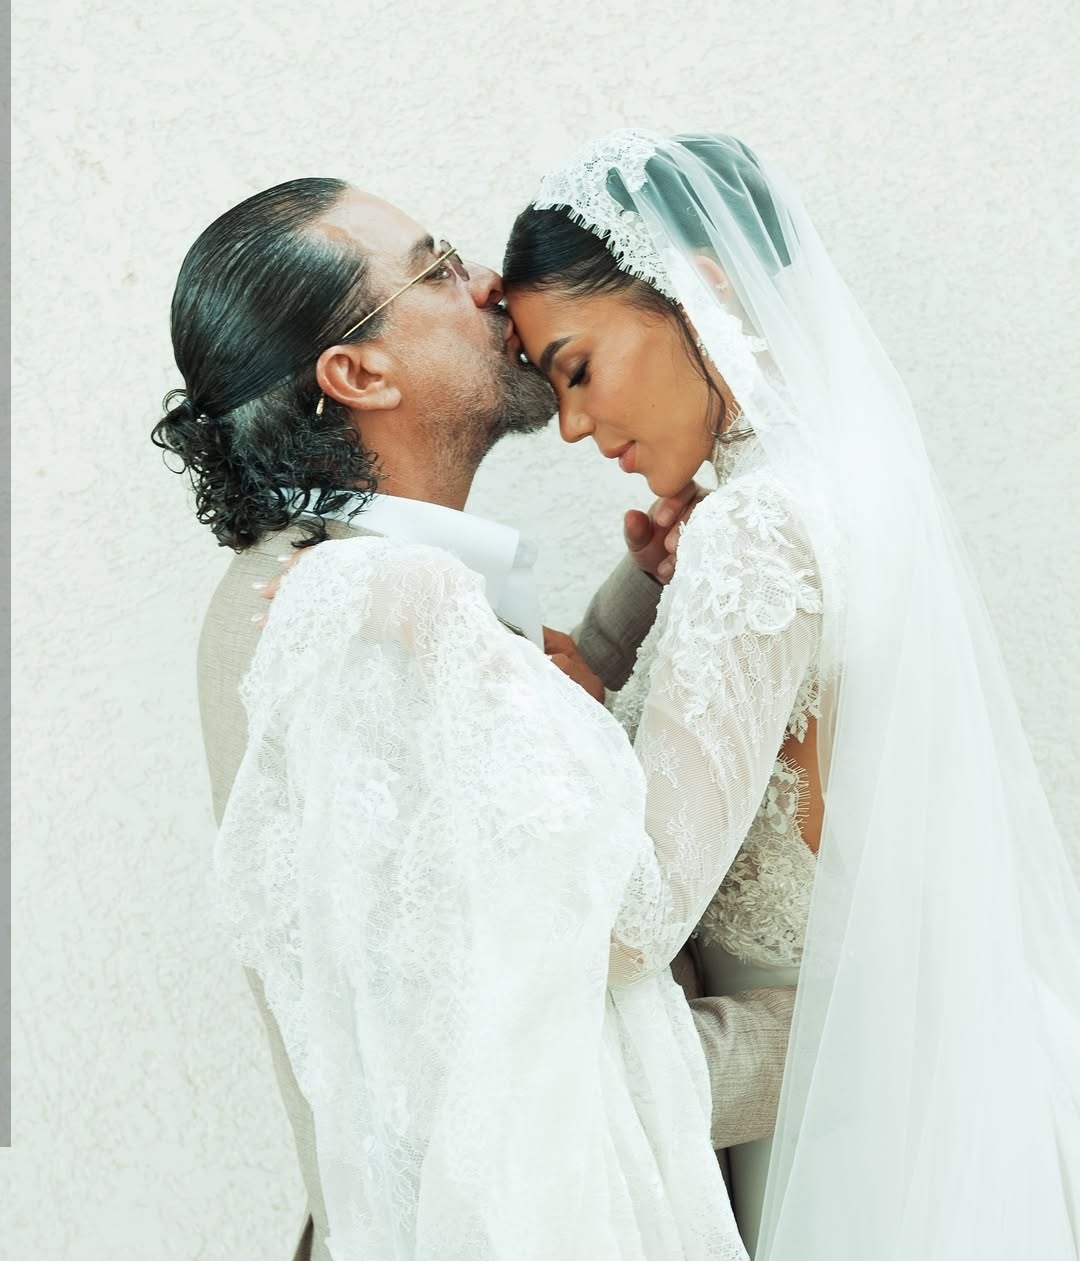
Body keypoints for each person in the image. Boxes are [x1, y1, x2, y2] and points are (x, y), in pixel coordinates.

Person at [154, 178, 795, 1261]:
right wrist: (843, 1032)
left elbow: (523, 809)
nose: (492, 282)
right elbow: (506, 1075)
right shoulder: (352, 631)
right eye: (439, 267)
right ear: (359, 373)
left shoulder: (361, 581)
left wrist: (642, 603)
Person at [500, 130, 1080, 1260]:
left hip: (835, 1136)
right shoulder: (846, 485)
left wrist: (498, 698)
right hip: (925, 1089)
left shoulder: (755, 529)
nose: (572, 424)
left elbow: (635, 917)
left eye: (575, 367)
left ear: (701, 291)